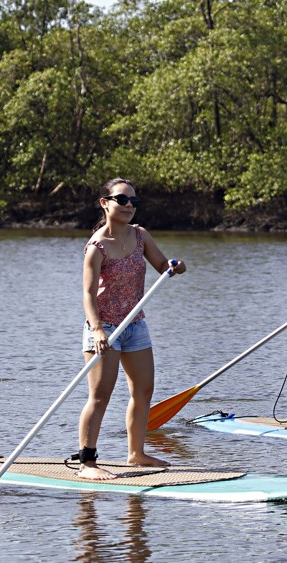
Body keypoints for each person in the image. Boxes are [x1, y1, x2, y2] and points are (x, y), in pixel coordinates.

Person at [76, 177, 186, 480]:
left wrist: (175, 268)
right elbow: (86, 294)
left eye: (133, 202)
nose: (128, 206)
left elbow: (163, 266)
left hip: (135, 324)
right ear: (105, 203)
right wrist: (98, 330)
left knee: (143, 390)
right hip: (105, 329)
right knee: (100, 396)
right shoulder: (96, 246)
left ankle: (136, 453)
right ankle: (88, 463)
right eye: (122, 200)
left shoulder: (140, 236)